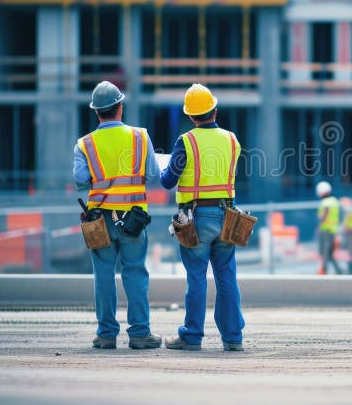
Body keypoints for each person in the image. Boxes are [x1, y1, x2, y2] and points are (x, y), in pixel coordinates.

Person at [73, 81, 163, 350]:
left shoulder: (84, 144)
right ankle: (139, 333)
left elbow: (79, 179)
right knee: (135, 272)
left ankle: (106, 334)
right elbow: (154, 174)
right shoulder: (140, 137)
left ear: (97, 112)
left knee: (103, 275)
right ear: (120, 108)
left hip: (100, 221)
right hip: (133, 220)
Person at [160, 83, 245, 352]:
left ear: (190, 116)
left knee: (196, 277)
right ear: (215, 110)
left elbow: (167, 180)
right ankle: (233, 338)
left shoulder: (185, 141)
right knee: (226, 277)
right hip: (228, 215)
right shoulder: (232, 140)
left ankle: (192, 336)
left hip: (195, 217)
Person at [316, 181, 343, 275]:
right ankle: (339, 271)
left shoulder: (325, 202)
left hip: (326, 230)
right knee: (329, 253)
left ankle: (324, 270)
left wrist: (320, 223)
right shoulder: (334, 200)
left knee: (325, 252)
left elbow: (325, 213)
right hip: (333, 230)